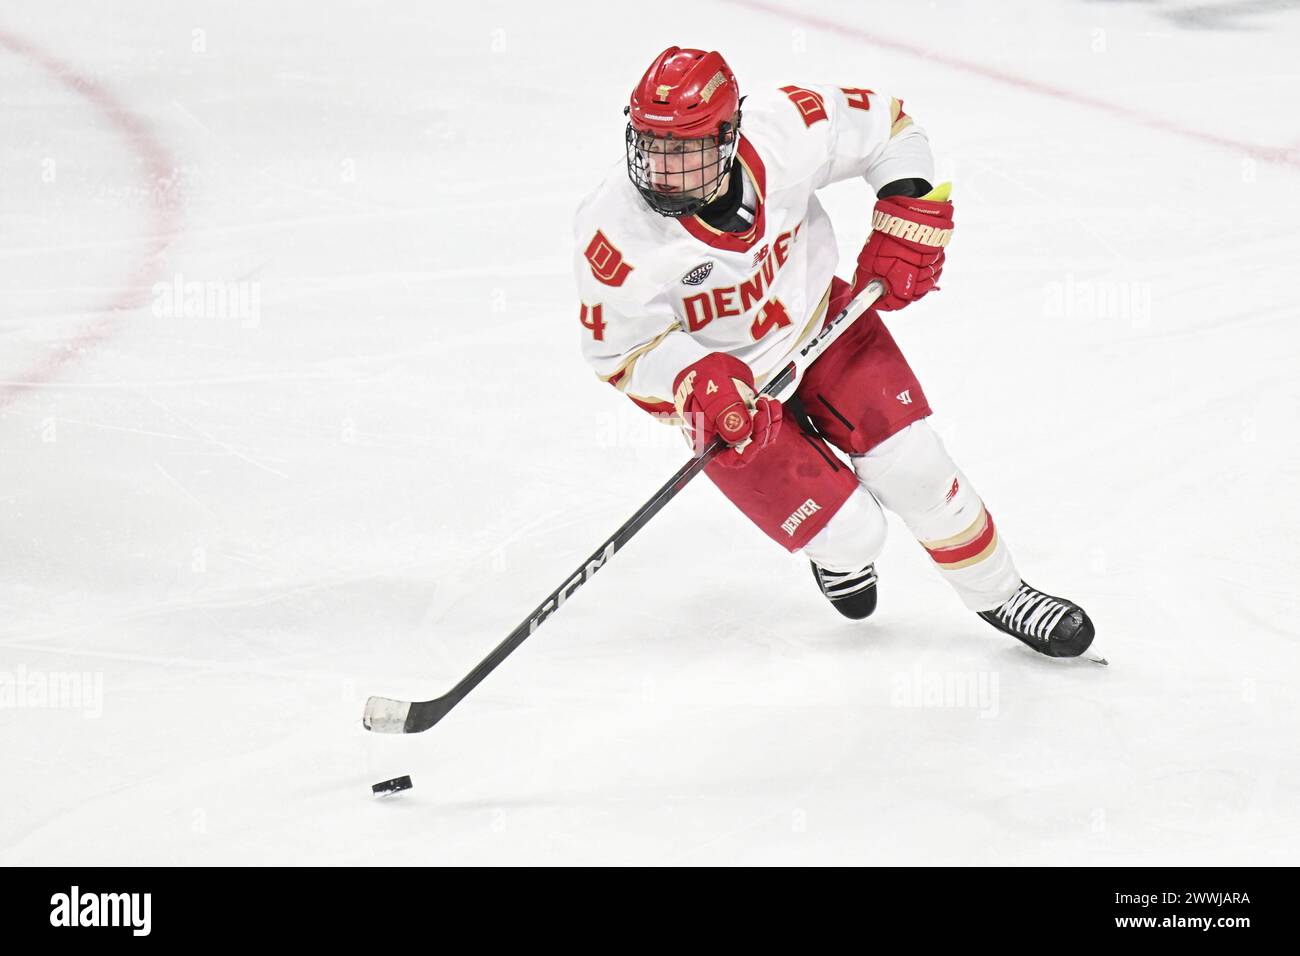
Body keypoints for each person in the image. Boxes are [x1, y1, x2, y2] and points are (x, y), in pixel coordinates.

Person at [572, 46, 1093, 658]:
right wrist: (693, 376)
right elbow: (622, 353)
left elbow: (890, 128)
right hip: (733, 402)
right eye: (653, 148)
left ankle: (1002, 592)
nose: (664, 171)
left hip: (829, 323)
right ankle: (837, 553)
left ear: (730, 134)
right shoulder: (614, 229)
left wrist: (908, 206)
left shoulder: (785, 127)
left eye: (685, 151)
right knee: (855, 535)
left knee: (918, 469)